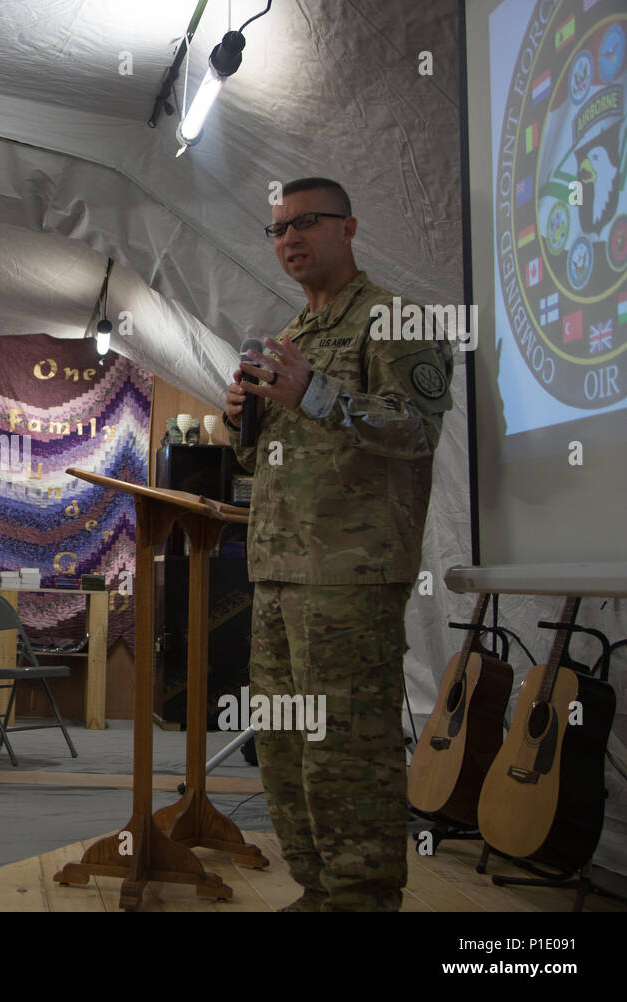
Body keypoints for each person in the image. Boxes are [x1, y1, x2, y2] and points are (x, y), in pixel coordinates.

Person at [221, 178, 453, 912]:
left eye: (306, 222)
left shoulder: (396, 322)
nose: (290, 237)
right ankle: (319, 890)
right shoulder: (291, 338)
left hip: (349, 577)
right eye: (279, 228)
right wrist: (240, 422)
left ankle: (364, 899)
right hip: (278, 571)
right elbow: (260, 462)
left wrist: (311, 394)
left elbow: (415, 431)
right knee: (284, 749)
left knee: (347, 749)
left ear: (348, 227)